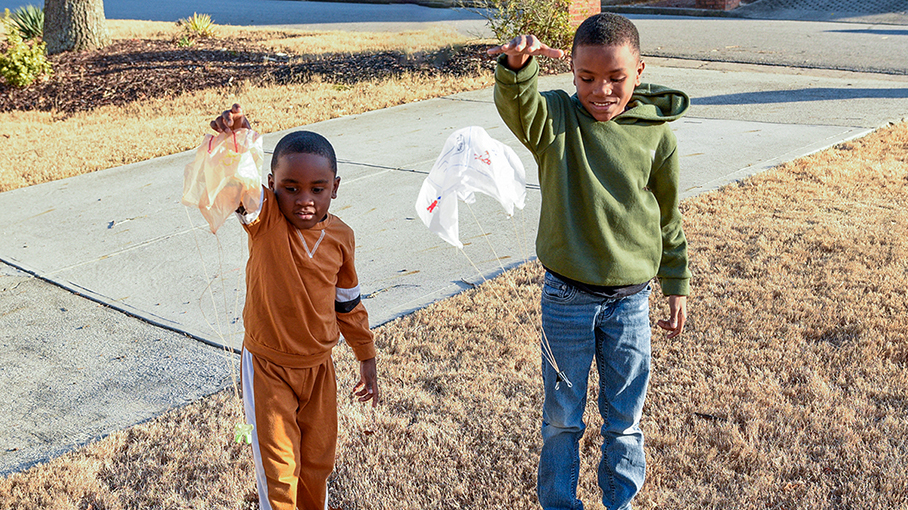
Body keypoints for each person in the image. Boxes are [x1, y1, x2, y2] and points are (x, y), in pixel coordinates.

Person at [487, 13, 691, 510]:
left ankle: (619, 502)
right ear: (571, 72)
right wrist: (517, 67)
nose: (601, 91)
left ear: (639, 71)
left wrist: (676, 282)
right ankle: (560, 503)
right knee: (562, 417)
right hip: (566, 300)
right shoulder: (556, 119)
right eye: (586, 78)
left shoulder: (657, 135)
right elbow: (519, 107)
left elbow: (667, 213)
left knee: (625, 417)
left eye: (616, 78)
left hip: (631, 303)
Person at [211, 105, 380, 510]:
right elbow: (244, 192)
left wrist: (366, 356)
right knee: (279, 469)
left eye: (317, 189)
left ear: (335, 187)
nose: (304, 200)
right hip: (268, 367)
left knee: (317, 463)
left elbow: (348, 303)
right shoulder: (266, 219)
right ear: (272, 184)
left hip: (319, 369)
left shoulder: (342, 237)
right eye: (290, 187)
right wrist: (241, 143)